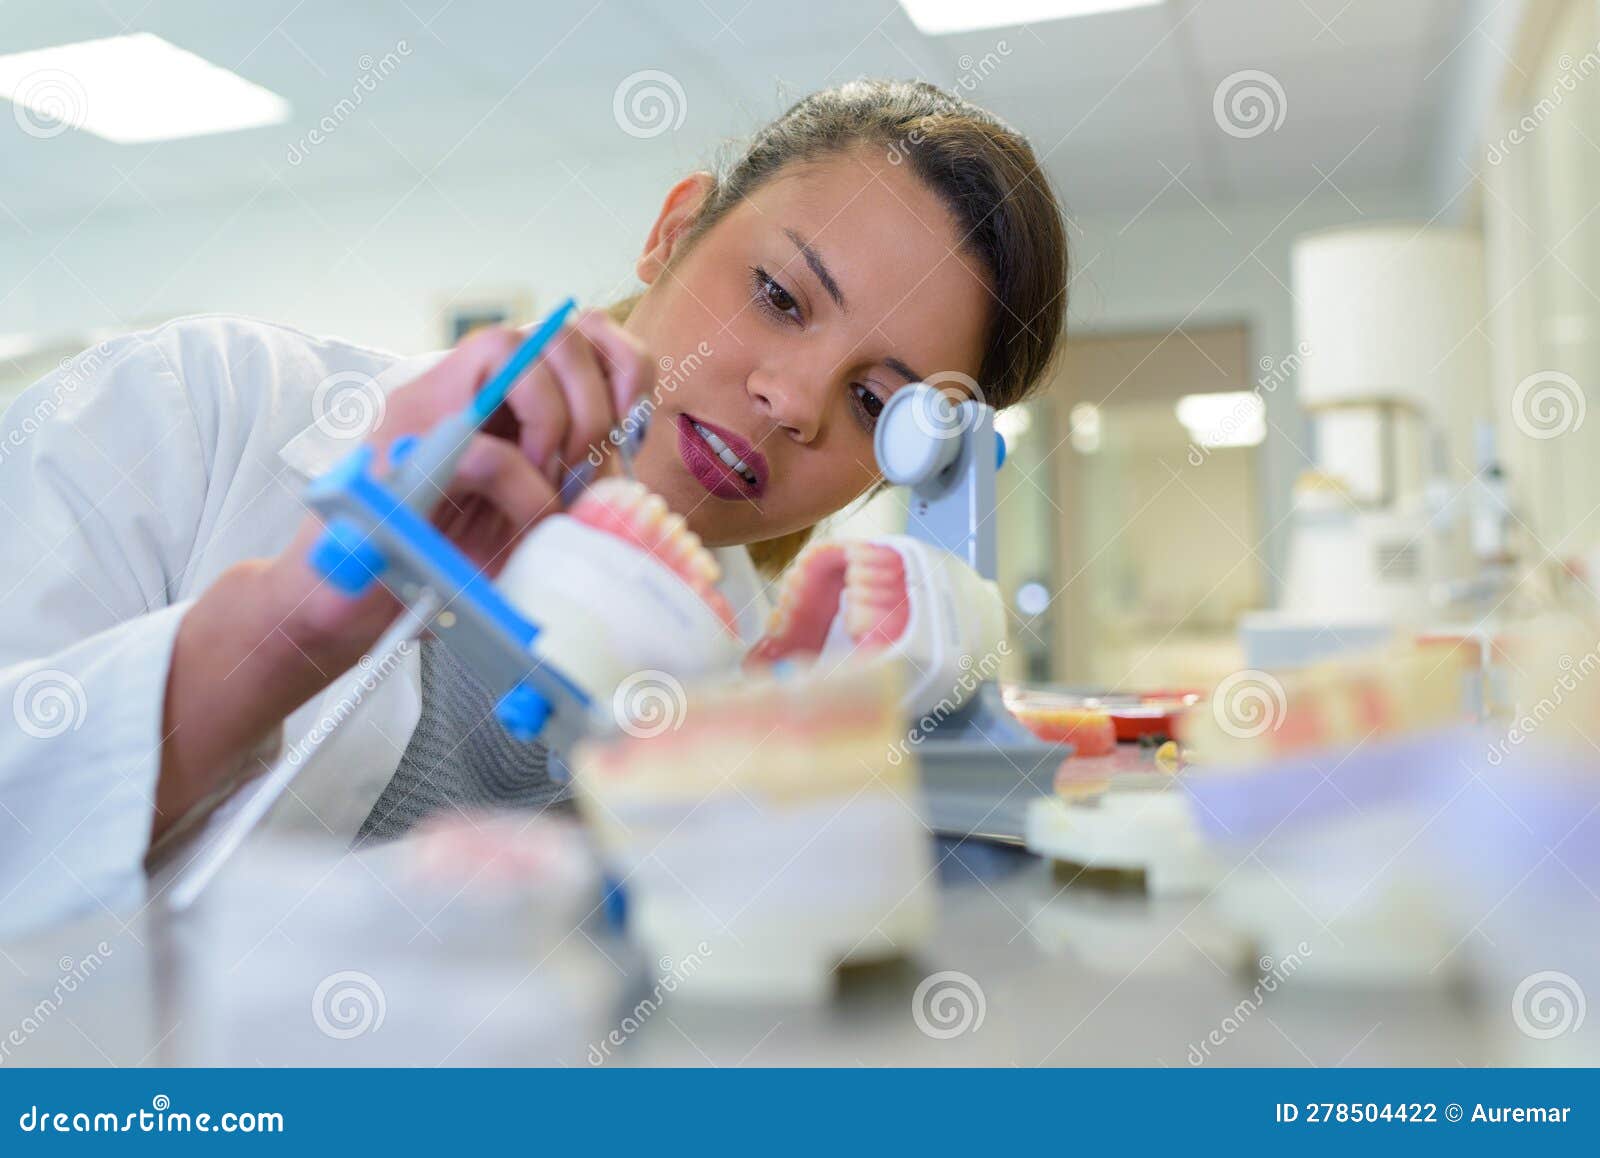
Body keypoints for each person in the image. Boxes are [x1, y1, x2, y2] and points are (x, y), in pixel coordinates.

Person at [0, 79, 1069, 933]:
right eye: (779, 296)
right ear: (674, 229)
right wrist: (291, 626)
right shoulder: (197, 407)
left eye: (876, 401)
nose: (791, 402)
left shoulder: (751, 678)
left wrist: (878, 748)